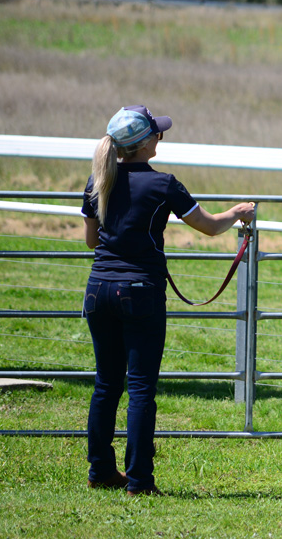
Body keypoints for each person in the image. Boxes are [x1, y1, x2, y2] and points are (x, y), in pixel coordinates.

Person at [81, 105, 255, 496]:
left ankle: (100, 471)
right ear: (144, 143)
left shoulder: (97, 183)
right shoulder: (164, 185)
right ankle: (139, 481)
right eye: (158, 133)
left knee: (106, 384)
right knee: (141, 388)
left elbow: (92, 241)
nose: (162, 137)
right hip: (140, 292)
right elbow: (209, 226)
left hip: (98, 289)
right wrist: (238, 212)